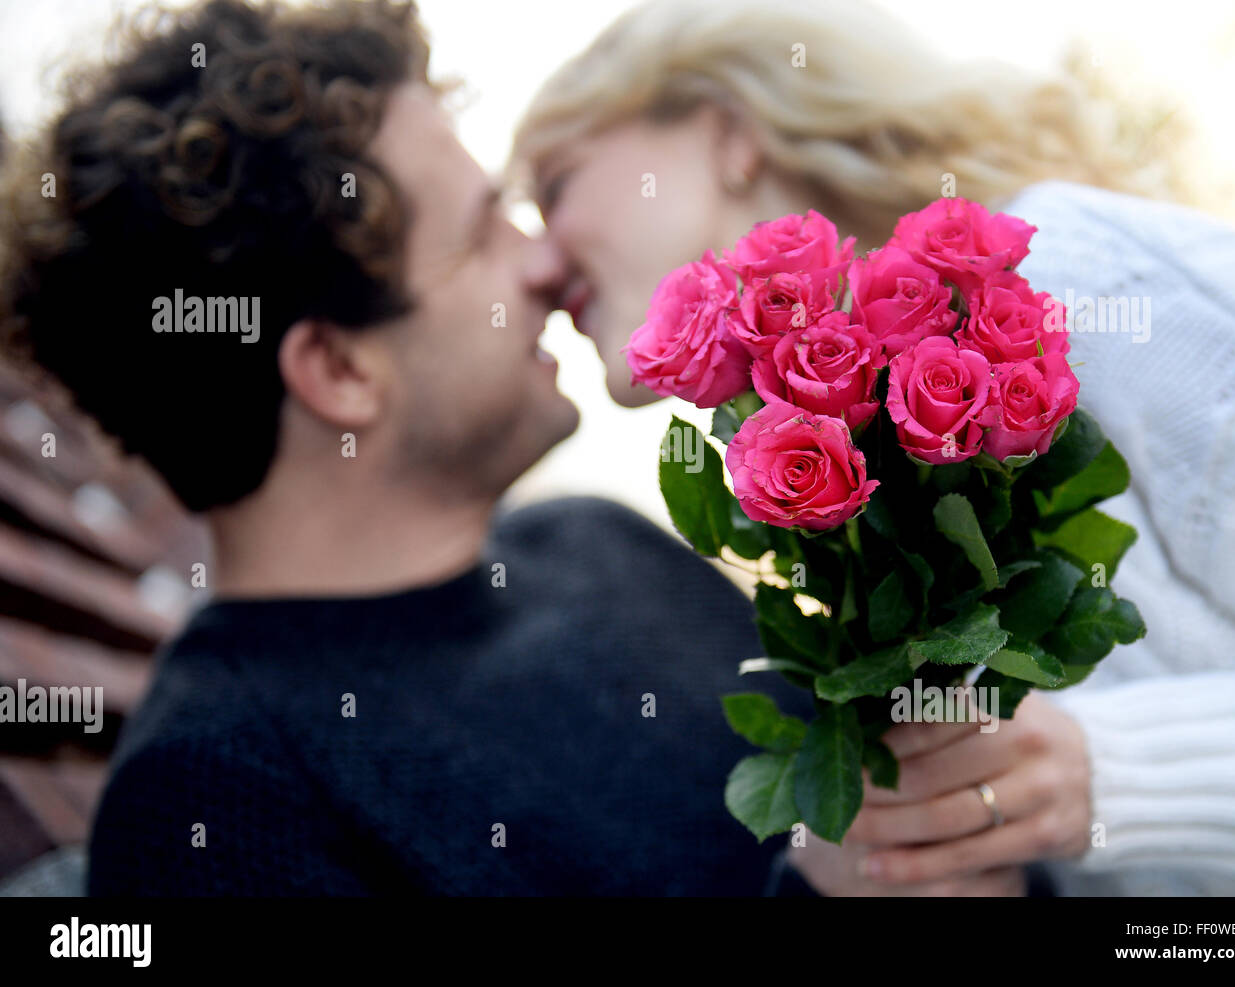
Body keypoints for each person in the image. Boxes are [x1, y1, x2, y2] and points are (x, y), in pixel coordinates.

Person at [0, 0, 816, 895]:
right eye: (480, 235)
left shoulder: (602, 545)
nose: (546, 263)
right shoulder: (216, 805)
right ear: (340, 369)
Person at [509, 0, 1235, 895]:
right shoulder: (849, 521)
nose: (538, 265)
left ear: (727, 132)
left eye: (556, 185)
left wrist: (1107, 776)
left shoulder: (1078, 282)